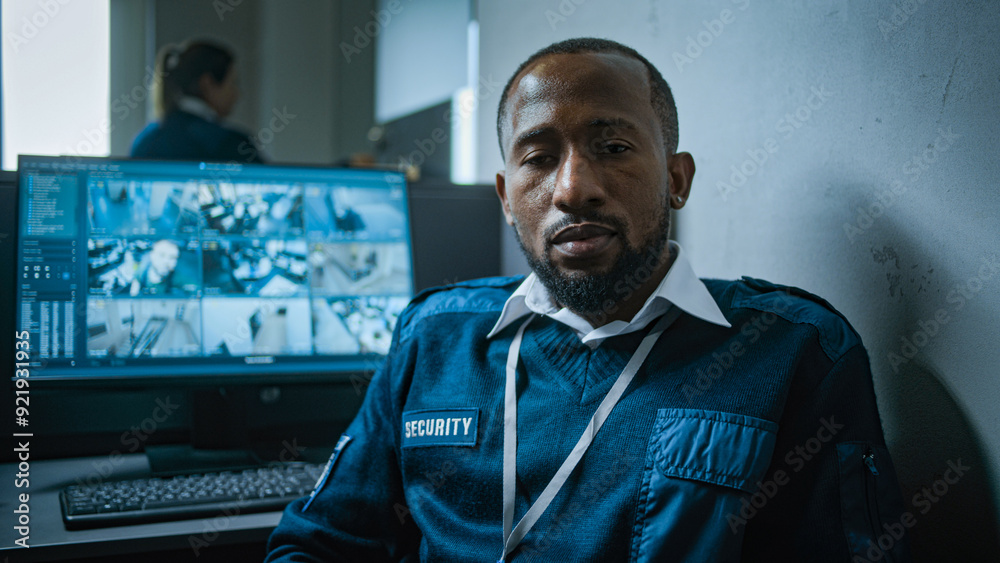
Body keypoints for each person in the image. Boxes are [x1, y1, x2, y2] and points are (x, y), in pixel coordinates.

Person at [265, 38, 911, 562]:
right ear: (506, 199)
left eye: (614, 148)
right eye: (539, 157)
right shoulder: (432, 338)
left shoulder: (793, 352)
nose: (573, 189)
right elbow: (317, 545)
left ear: (677, 179)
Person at [130, 40, 264, 163]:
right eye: (233, 83)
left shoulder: (145, 141)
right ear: (207, 83)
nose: (237, 94)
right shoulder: (229, 145)